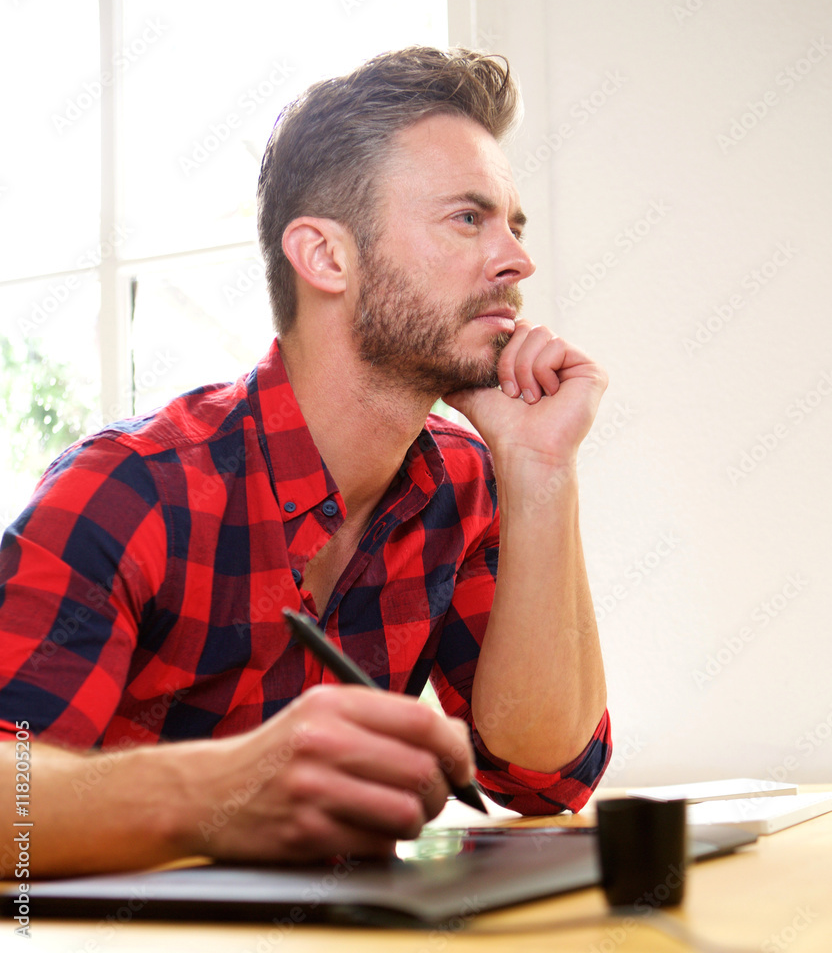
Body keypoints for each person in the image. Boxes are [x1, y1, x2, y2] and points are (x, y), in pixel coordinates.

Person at [0, 47, 611, 879]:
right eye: (469, 219)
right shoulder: (126, 489)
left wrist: (540, 470)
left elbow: (546, 777)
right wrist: (225, 791)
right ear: (326, 257)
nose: (517, 260)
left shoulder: (466, 485)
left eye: (514, 224)